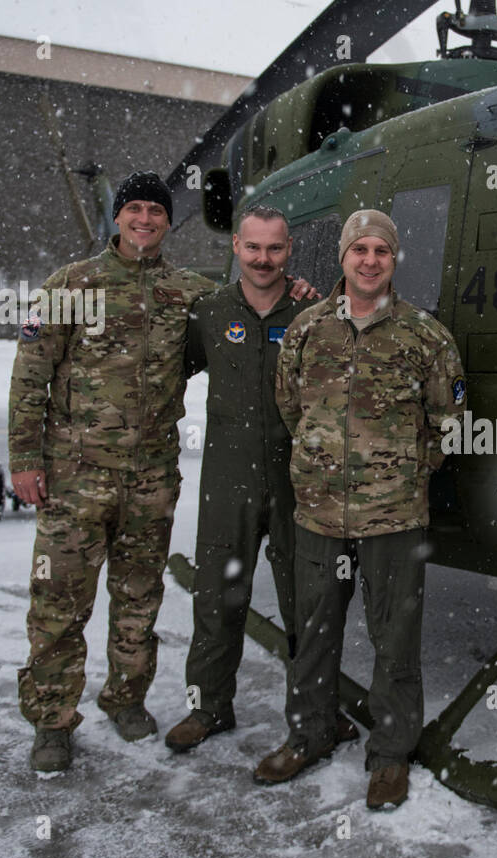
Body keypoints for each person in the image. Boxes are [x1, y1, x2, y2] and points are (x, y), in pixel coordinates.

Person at [256, 209, 465, 810]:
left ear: (393, 259)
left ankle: (392, 752)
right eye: (360, 250)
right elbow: (291, 408)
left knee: (395, 638)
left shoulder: (426, 336)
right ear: (342, 258)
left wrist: (403, 471)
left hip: (394, 518)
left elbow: (448, 423)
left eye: (381, 250)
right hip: (319, 514)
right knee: (313, 631)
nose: (370, 260)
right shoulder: (307, 330)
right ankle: (310, 734)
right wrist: (325, 466)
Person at [10, 171, 216, 772]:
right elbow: (30, 378)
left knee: (138, 597)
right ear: (119, 218)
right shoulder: (71, 285)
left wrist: (303, 290)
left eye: (156, 210)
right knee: (59, 603)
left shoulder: (189, 292)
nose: (145, 219)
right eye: (135, 208)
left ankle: (126, 698)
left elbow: (254, 309)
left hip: (151, 478)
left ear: (168, 221)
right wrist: (24, 458)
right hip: (76, 478)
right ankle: (52, 720)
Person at [164, 205, 360, 752]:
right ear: (235, 247)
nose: (264, 258)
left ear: (289, 250)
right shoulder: (208, 312)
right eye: (254, 247)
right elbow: (169, 371)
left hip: (298, 477)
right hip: (229, 476)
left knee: (310, 600)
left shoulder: (310, 314)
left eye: (275, 248)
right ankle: (209, 708)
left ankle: (317, 712)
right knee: (217, 595)